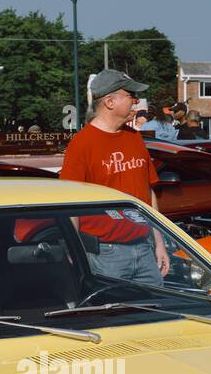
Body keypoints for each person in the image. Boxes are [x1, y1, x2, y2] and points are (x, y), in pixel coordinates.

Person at [59, 69, 169, 281]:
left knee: (157, 312)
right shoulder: (81, 144)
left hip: (145, 249)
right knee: (114, 313)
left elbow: (149, 193)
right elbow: (69, 203)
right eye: (130, 95)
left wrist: (160, 242)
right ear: (109, 101)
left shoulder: (134, 138)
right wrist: (72, 249)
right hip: (105, 254)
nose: (136, 102)